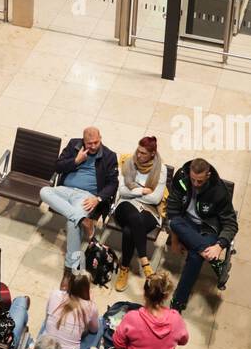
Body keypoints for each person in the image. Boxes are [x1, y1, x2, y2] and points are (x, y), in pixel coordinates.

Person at [39, 126, 119, 270]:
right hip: (65, 190)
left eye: (96, 142)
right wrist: (76, 161)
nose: (93, 146)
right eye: (90, 143)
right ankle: (83, 219)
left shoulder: (109, 156)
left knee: (72, 223)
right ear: (84, 141)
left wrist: (98, 198)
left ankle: (71, 267)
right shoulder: (73, 145)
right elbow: (57, 166)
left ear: (100, 139)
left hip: (86, 197)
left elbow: (113, 183)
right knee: (44, 191)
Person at [166, 157, 239, 311]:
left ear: (208, 175)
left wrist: (219, 246)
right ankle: (214, 263)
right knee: (174, 222)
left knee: (195, 256)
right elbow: (172, 210)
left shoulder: (218, 190)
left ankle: (178, 302)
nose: (195, 184)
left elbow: (231, 223)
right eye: (193, 179)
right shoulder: (182, 178)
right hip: (185, 223)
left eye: (199, 181)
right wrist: (174, 241)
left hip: (208, 227)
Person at [111, 136, 167, 290]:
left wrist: (133, 190)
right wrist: (142, 190)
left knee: (129, 231)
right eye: (138, 151)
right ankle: (145, 261)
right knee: (133, 215)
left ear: (153, 154)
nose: (139, 155)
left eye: (143, 153)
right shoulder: (129, 163)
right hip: (125, 206)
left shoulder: (161, 169)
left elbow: (156, 199)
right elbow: (122, 191)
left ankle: (124, 268)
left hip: (149, 211)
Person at [114, 271, 188, 349]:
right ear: (166, 296)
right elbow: (183, 341)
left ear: (144, 293)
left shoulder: (132, 317)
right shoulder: (176, 319)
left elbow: (118, 343)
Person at [42, 269, 100, 349]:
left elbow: (47, 318)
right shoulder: (90, 307)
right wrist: (91, 303)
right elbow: (94, 330)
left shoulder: (55, 294)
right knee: (101, 324)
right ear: (87, 289)